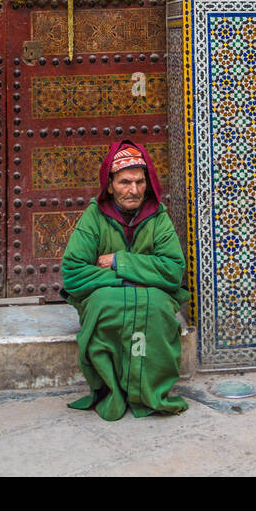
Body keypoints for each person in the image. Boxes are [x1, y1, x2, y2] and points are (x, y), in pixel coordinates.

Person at [60, 138, 189, 421]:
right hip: (112, 293)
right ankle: (114, 391)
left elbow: (173, 271)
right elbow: (72, 273)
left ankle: (149, 392)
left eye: (140, 182)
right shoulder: (93, 217)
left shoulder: (159, 219)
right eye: (125, 182)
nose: (134, 190)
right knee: (106, 306)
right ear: (110, 185)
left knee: (154, 308)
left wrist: (119, 262)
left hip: (150, 296)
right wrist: (130, 280)